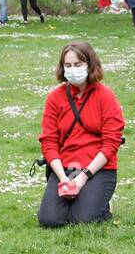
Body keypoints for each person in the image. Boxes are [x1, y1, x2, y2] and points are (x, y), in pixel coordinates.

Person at [37, 42, 125, 227]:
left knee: (83, 220)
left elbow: (111, 142)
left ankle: (99, 201)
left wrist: (84, 176)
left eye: (78, 65)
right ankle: (81, 199)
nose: (72, 70)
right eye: (68, 65)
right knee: (49, 220)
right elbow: (49, 142)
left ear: (90, 65)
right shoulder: (54, 98)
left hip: (98, 168)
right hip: (65, 167)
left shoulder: (106, 96)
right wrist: (62, 178)